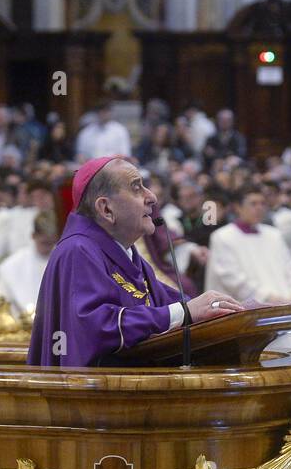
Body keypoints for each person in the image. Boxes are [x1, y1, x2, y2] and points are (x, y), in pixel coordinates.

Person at [27, 156, 242, 367]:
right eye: (137, 188)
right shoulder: (77, 251)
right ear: (106, 209)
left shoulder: (124, 252)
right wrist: (185, 312)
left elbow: (173, 303)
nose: (152, 197)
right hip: (95, 395)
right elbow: (98, 327)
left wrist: (219, 309)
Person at [205, 184, 291, 305]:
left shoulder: (274, 234)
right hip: (247, 308)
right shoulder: (222, 236)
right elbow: (231, 278)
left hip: (286, 301)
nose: (259, 208)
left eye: (262, 203)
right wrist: (268, 298)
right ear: (238, 207)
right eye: (253, 204)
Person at [0, 209, 57, 315]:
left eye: (50, 243)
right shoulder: (12, 265)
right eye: (44, 243)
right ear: (33, 235)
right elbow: (2, 302)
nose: (47, 247)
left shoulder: (63, 261)